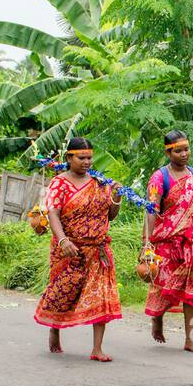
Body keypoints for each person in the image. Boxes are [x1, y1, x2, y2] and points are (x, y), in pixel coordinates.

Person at [34, 137, 123, 361]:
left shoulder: (100, 182)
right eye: (81, 157)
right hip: (69, 249)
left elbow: (109, 216)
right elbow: (53, 213)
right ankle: (55, 328)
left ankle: (97, 349)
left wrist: (116, 198)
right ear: (69, 158)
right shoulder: (59, 183)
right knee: (63, 292)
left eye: (89, 158)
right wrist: (63, 241)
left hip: (98, 250)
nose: (86, 162)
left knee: (100, 295)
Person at [144, 130, 193, 353]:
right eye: (178, 150)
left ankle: (190, 339)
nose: (184, 154)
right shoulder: (159, 178)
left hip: (192, 242)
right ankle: (157, 319)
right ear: (168, 152)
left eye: (186, 149)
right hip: (165, 242)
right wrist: (147, 243)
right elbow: (151, 212)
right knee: (163, 287)